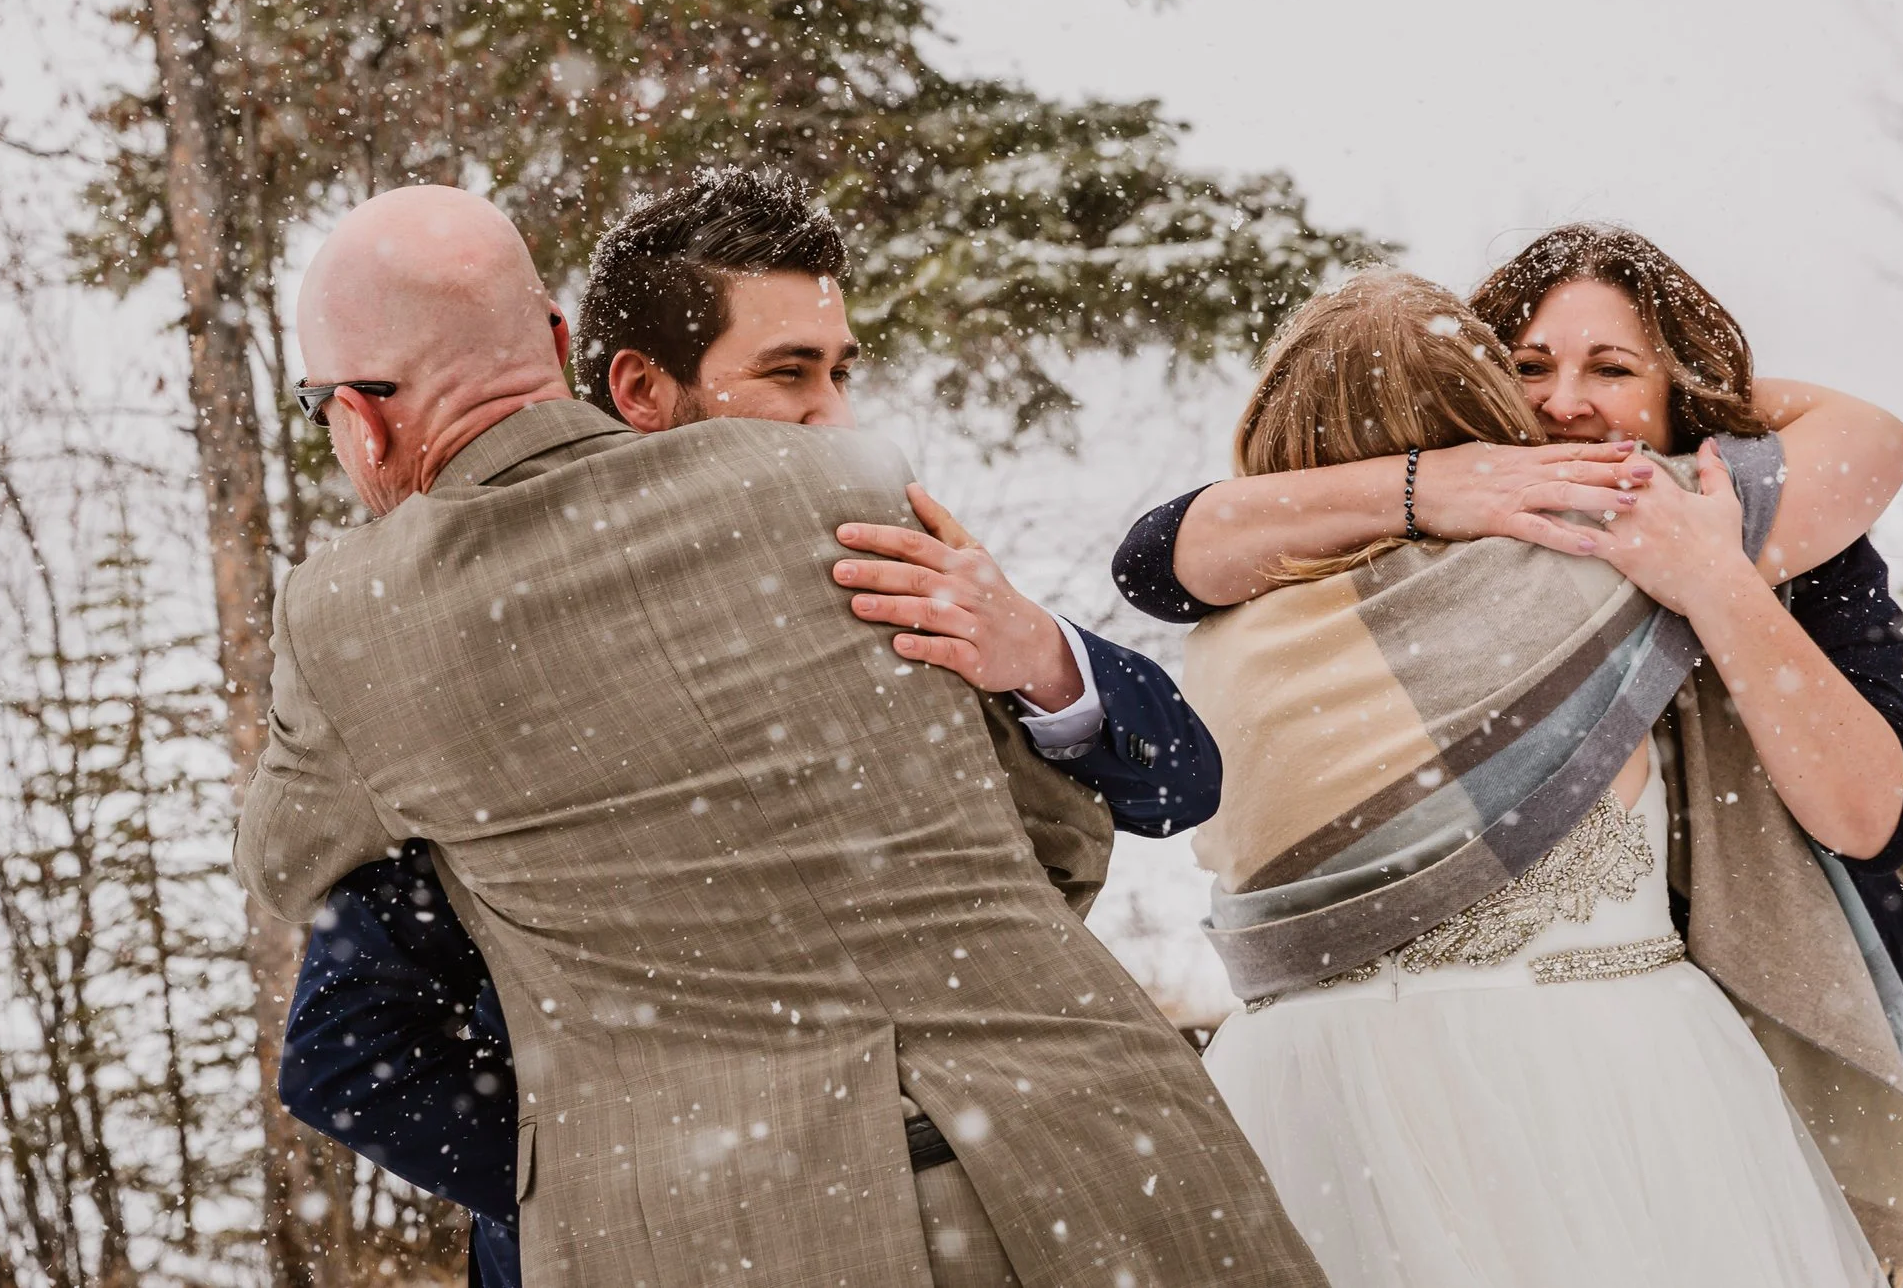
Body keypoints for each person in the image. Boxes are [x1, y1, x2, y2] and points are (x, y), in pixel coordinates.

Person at [235, 184, 1325, 1288]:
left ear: (361, 416)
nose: (831, 412)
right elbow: (1055, 835)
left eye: (838, 371)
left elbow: (284, 867)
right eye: (791, 372)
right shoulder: (846, 498)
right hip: (1106, 1154)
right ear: (586, 358)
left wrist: (1039, 654)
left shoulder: (364, 630)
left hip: (742, 1235)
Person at [1119, 224, 1903, 1288]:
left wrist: (1710, 576)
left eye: (1611, 367)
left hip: (1780, 1006)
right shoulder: (1401, 566)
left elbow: (1870, 819)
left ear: (1686, 401)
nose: (1563, 399)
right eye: (1526, 366)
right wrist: (1423, 485)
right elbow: (1157, 557)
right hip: (1564, 1084)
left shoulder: (1757, 530)